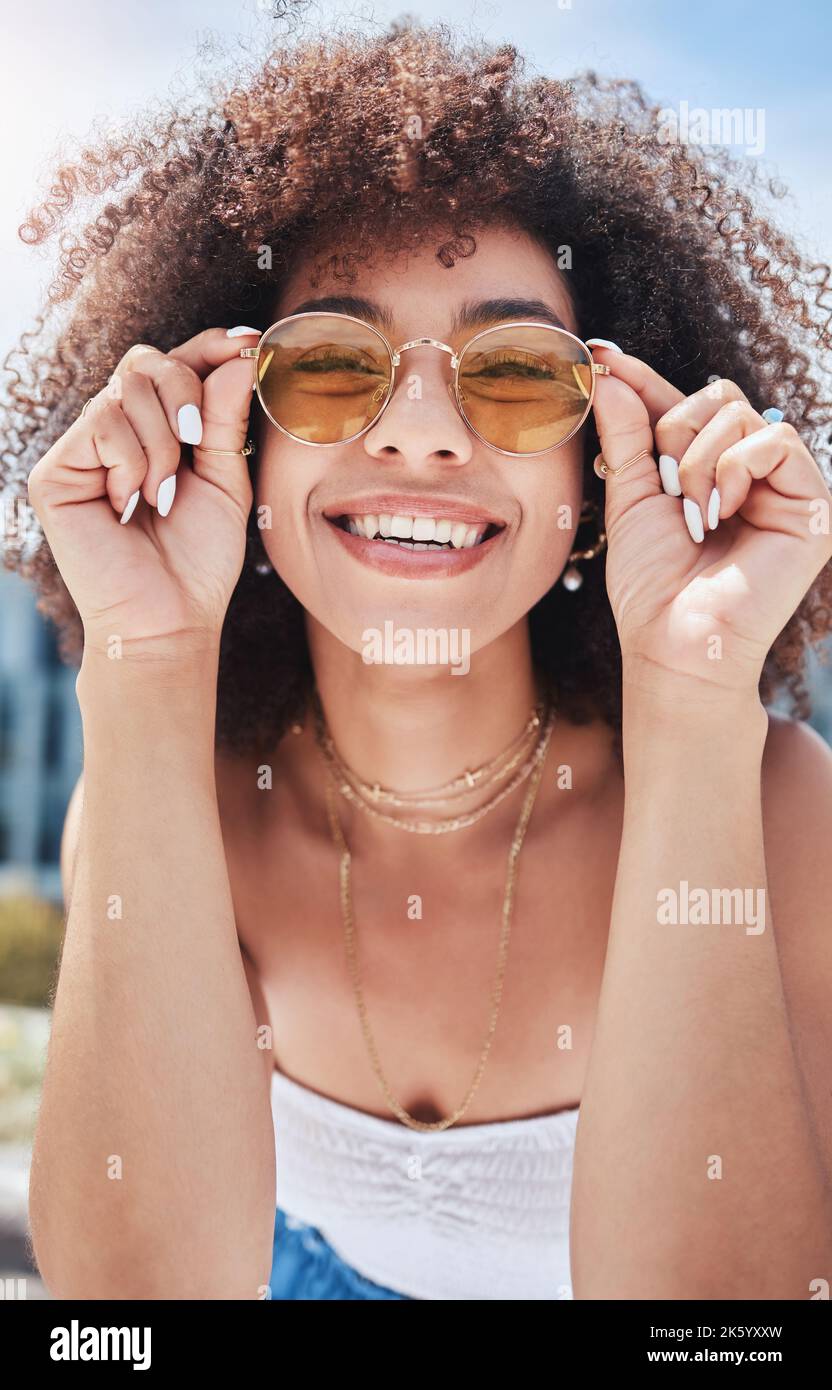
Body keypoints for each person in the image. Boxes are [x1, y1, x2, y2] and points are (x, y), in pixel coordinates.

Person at [7, 22, 832, 1300]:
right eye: (332, 364)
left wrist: (693, 699)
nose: (425, 436)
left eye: (516, 375)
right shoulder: (169, 804)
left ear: (603, 463)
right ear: (228, 437)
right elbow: (133, 1312)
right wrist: (148, 659)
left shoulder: (777, 808)